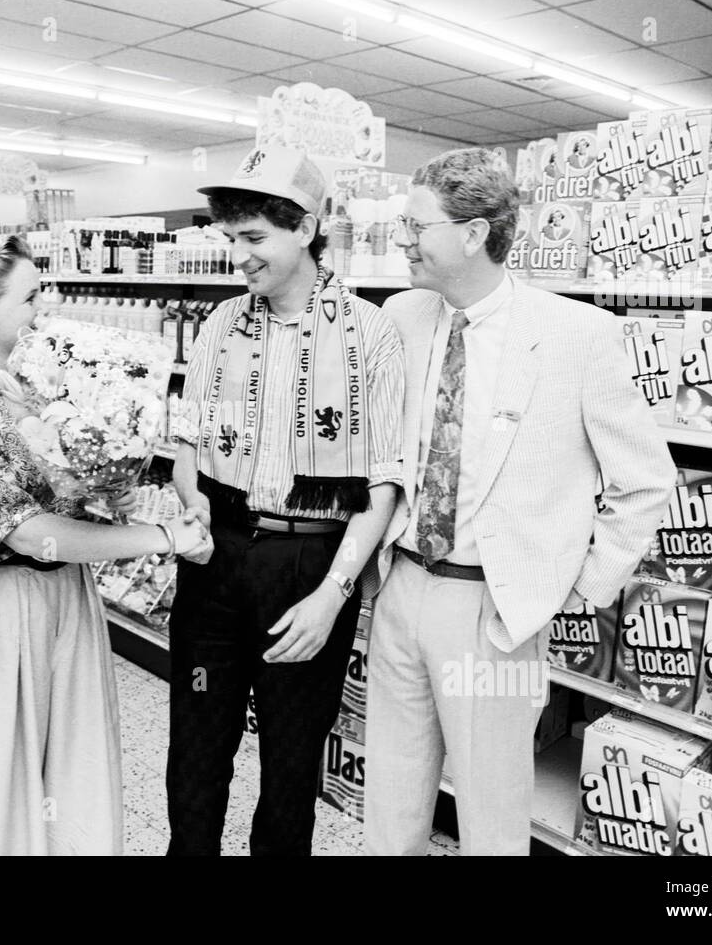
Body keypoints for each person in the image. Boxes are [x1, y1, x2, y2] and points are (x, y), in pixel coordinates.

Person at [365, 147, 676, 855]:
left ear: (473, 234)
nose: (401, 239)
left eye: (416, 225)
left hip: (494, 609)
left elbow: (644, 480)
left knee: (491, 805)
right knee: (390, 789)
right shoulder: (402, 315)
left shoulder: (577, 334)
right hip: (401, 584)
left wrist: (579, 587)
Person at [0, 235, 209, 856]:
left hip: (66, 597)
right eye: (30, 297)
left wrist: (111, 492)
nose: (44, 309)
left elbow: (73, 485)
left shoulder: (52, 387)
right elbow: (26, 531)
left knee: (75, 772)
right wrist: (160, 537)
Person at [168, 145, 405, 856]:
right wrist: (194, 505)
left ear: (305, 229)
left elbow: (383, 484)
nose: (238, 256)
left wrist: (334, 594)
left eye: (254, 237)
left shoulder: (370, 332)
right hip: (216, 557)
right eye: (229, 238)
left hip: (310, 566)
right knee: (196, 747)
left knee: (292, 762)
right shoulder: (220, 326)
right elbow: (188, 445)